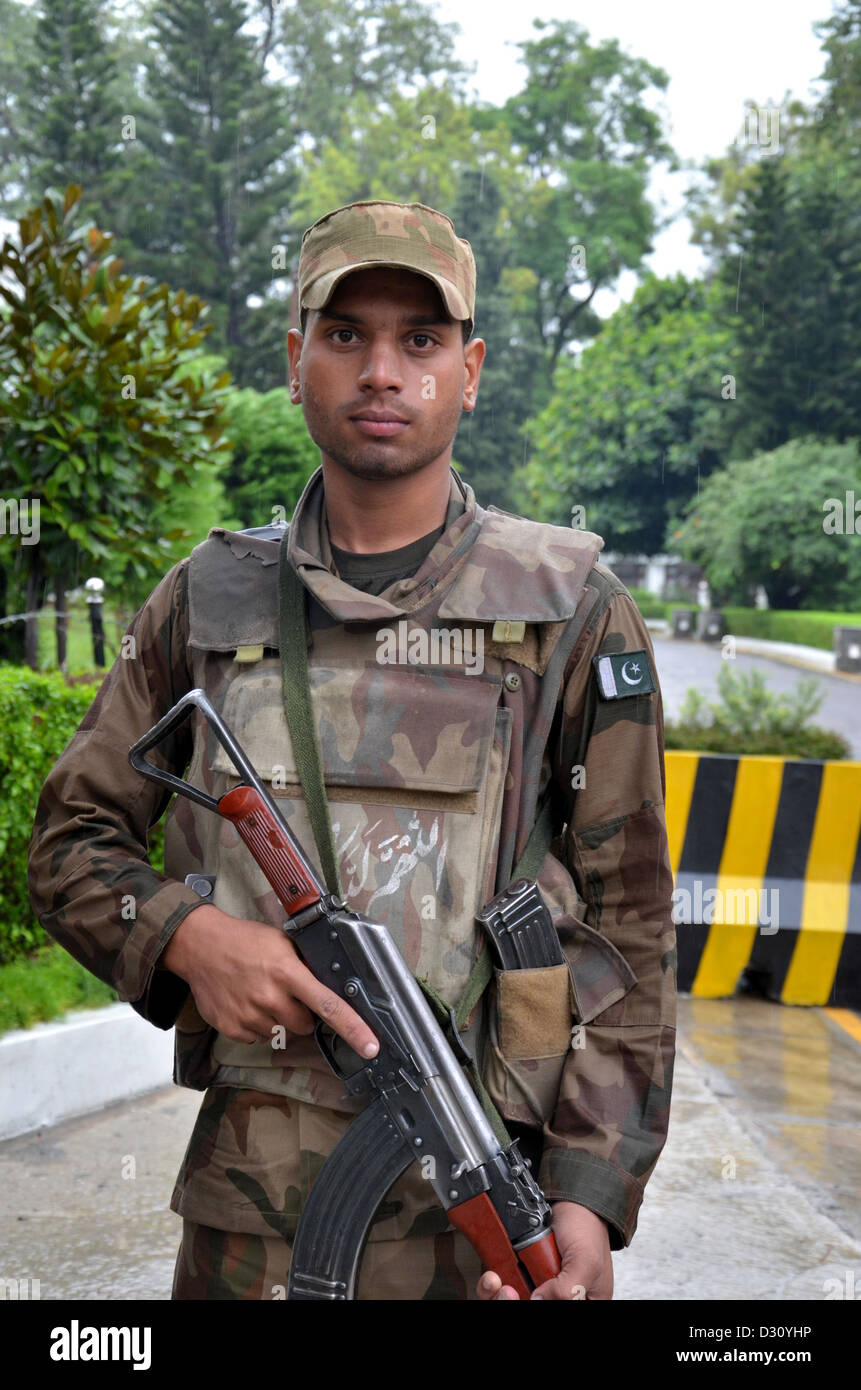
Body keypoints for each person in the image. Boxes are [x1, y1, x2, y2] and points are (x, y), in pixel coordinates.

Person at [28, 200, 676, 1302]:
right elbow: (69, 845)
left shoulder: (570, 614)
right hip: (249, 1228)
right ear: (295, 360)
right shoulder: (207, 597)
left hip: (480, 1225)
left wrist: (587, 1195)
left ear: (468, 372)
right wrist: (192, 938)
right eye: (347, 335)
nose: (384, 370)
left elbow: (633, 926)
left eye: (421, 341)